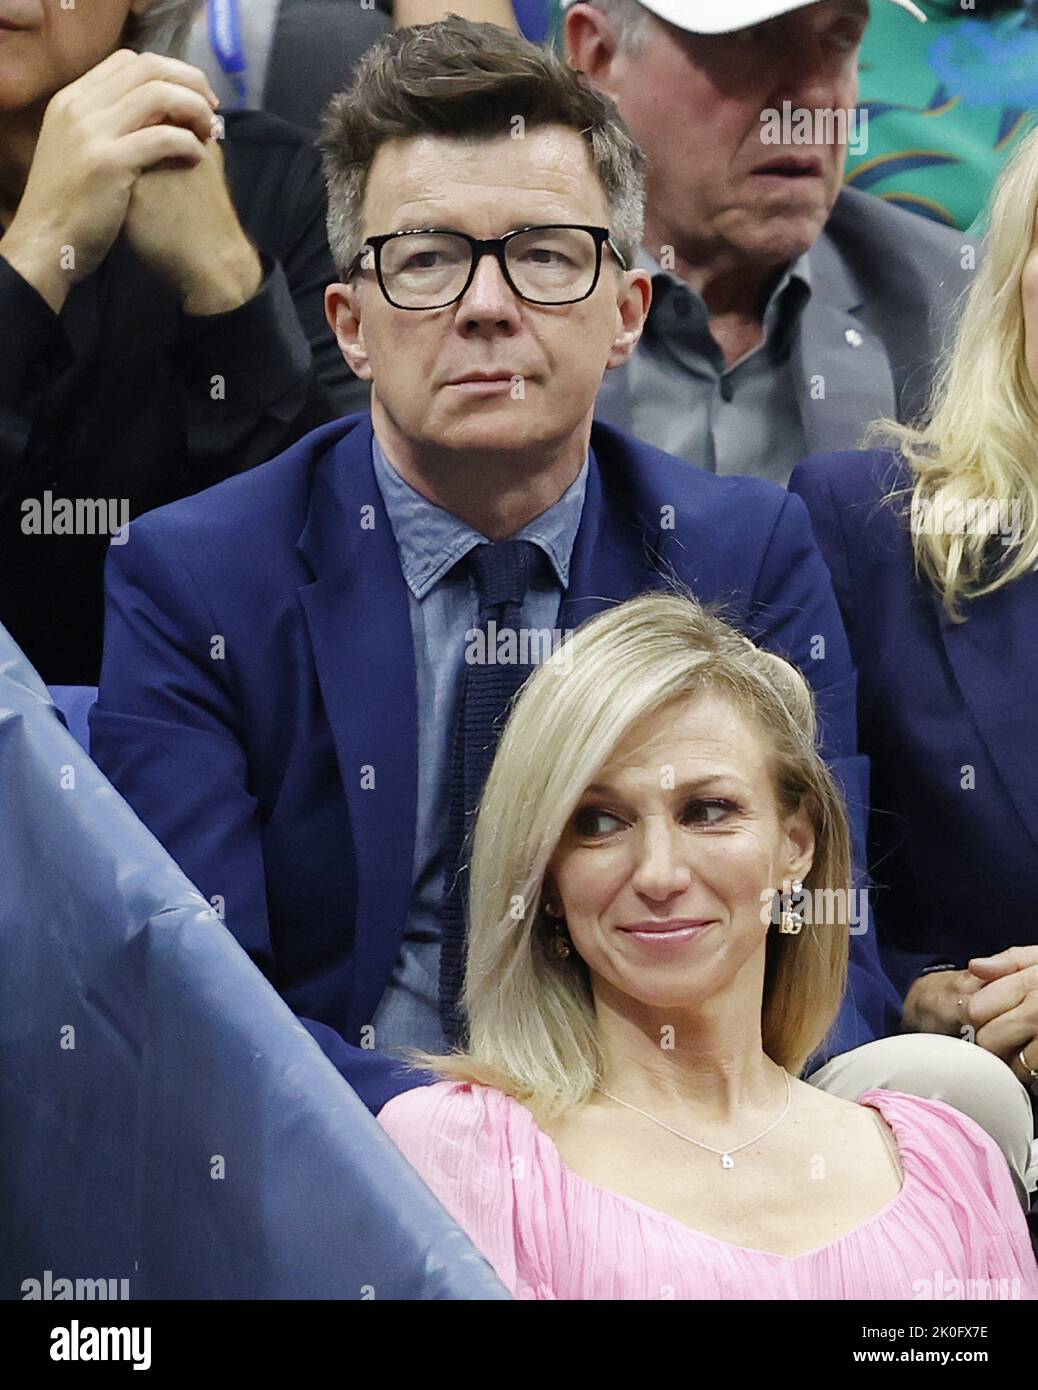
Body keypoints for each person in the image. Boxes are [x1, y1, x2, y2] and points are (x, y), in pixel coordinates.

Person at [89, 17, 900, 1118]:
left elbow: (821, 943)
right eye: (424, 260)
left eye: (544, 257)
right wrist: (494, 1148)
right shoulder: (198, 580)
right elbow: (200, 999)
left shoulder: (745, 554)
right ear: (352, 323)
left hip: (677, 1163)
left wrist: (703, 1143)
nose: (484, 306)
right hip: (352, 1165)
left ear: (626, 311)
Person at [378, 593, 1038, 1298]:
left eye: (708, 811)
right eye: (598, 822)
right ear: (545, 876)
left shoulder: (949, 1160)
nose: (659, 873)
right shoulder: (456, 1153)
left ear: (796, 847)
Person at [788, 122, 1038, 1175]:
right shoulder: (865, 530)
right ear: (1019, 290)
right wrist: (923, 998)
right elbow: (800, 896)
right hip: (957, 1145)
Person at [0, 0, 358, 683]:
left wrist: (226, 281)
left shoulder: (285, 190)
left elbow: (350, 574)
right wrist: (38, 254)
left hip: (213, 751)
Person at [560, 0, 975, 484]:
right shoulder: (484, 297)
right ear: (599, 54)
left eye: (840, 38)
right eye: (757, 39)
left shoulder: (963, 312)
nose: (818, 101)